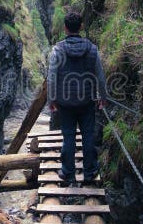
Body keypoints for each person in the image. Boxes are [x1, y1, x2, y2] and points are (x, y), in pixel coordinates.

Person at [46, 11, 107, 184]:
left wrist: (52, 100)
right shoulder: (92, 49)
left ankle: (67, 173)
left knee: (69, 136)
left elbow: (51, 77)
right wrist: (103, 97)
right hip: (87, 101)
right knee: (88, 136)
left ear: (65, 28)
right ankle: (89, 172)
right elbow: (100, 76)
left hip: (65, 103)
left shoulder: (57, 50)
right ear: (81, 26)